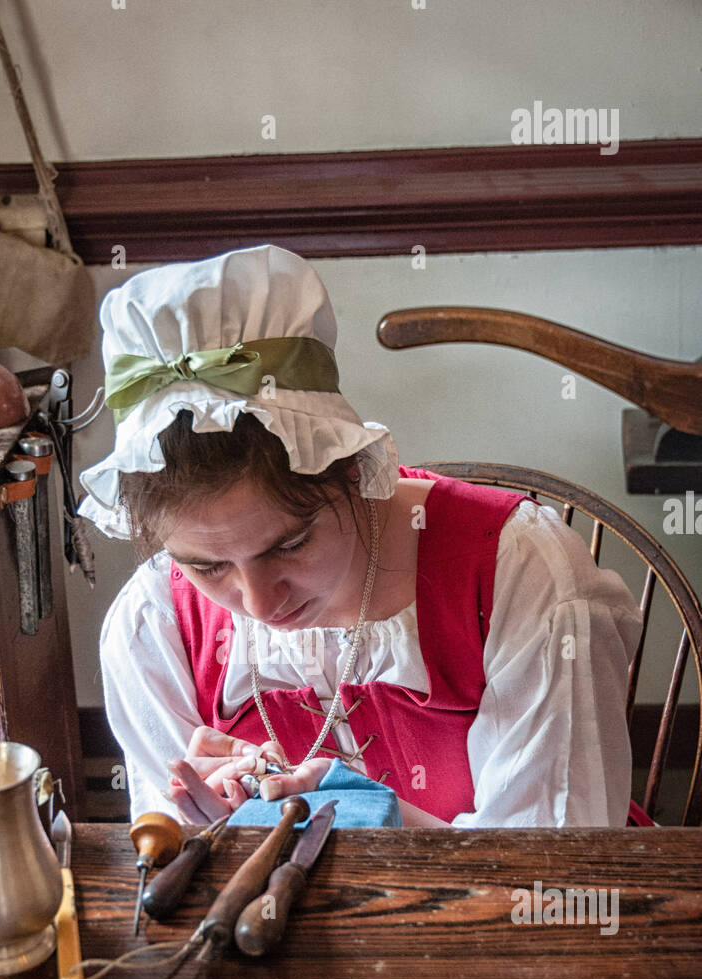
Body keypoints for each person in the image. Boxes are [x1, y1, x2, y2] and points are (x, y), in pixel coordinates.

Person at [77, 243, 652, 829]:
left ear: (353, 469)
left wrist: (369, 815)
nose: (259, 604)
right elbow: (167, 861)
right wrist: (216, 828)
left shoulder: (523, 574)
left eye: (290, 543)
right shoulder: (154, 621)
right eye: (207, 566)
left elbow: (549, 877)